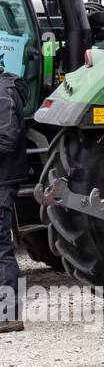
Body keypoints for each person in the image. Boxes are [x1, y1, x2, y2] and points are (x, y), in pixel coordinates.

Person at [0, 65, 28, 333]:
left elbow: (6, 140)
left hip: (2, 181)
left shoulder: (3, 93)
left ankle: (9, 316)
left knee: (0, 251)